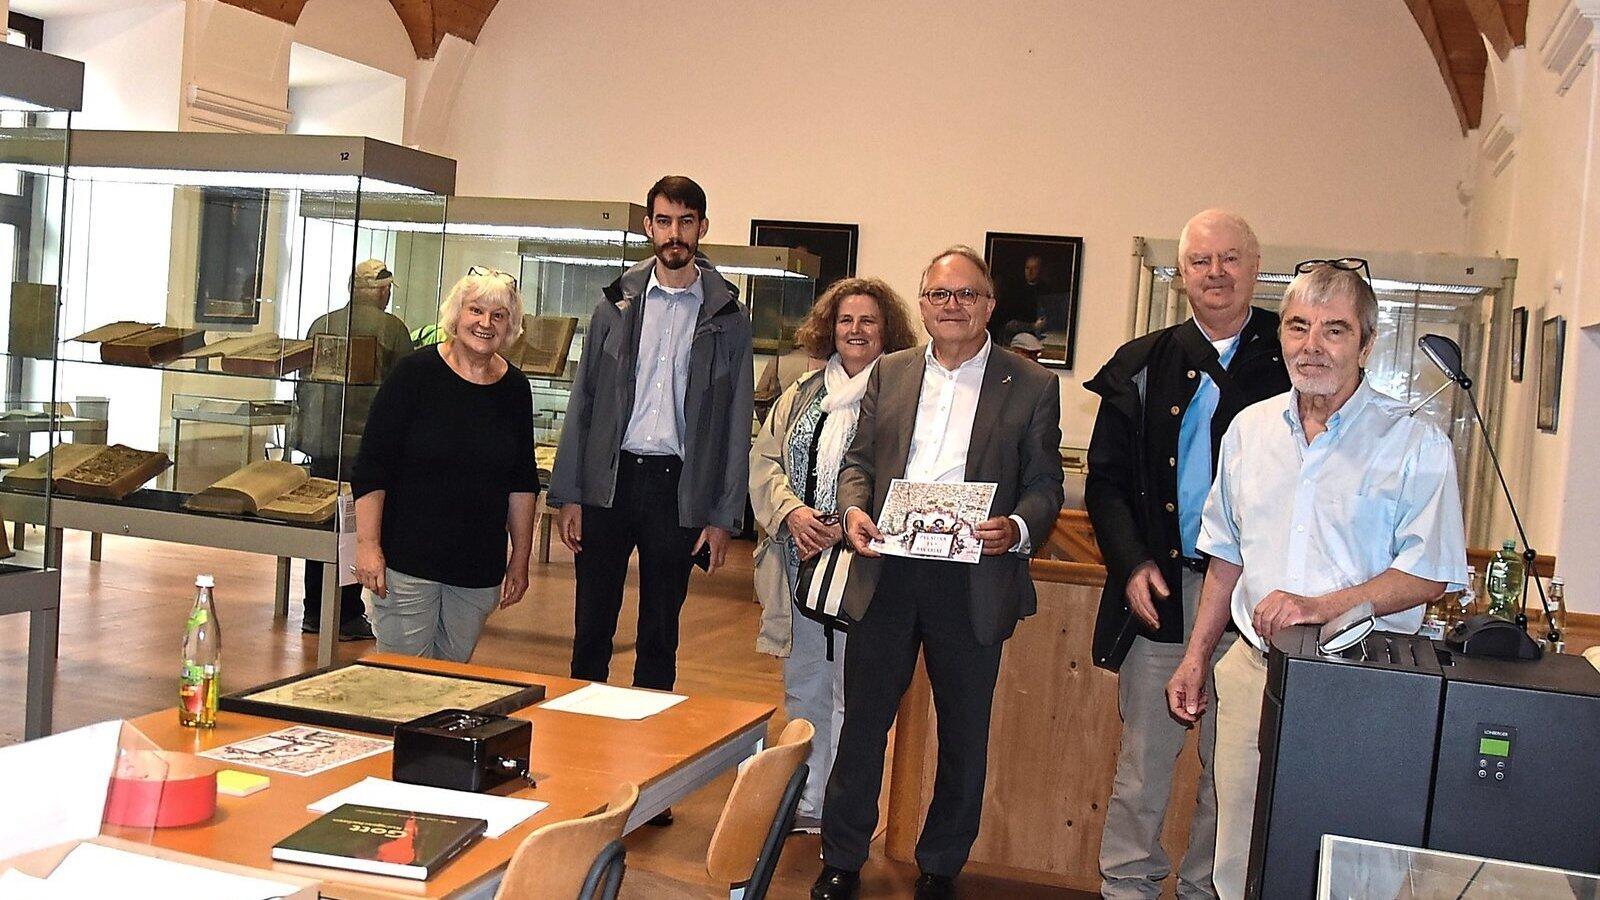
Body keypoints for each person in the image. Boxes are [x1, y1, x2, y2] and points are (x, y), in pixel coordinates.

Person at [1166, 262, 1467, 900]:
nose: (1312, 345)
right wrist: (1196, 656)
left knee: (1354, 858)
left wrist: (1320, 606)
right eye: (1299, 327)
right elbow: (1227, 557)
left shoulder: (1415, 443)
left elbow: (1430, 573)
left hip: (1365, 679)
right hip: (1252, 671)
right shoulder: (1248, 431)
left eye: (1335, 330)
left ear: (1366, 343)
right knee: (1240, 853)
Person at [812, 247, 1065, 900]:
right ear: (922, 305)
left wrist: (1017, 528)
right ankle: (841, 858)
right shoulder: (890, 373)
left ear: (989, 304)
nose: (952, 306)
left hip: (973, 578)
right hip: (888, 571)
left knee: (963, 736)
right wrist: (854, 507)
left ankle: (939, 867)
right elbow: (857, 462)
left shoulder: (1031, 384)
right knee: (863, 727)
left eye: (967, 295)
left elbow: (1044, 483)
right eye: (939, 295)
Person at [1085, 210, 1290, 899]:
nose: (1217, 274)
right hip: (1165, 592)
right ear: (1180, 278)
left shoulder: (1294, 360)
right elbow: (1106, 483)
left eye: (1231, 259)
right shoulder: (1141, 363)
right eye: (1201, 262)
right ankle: (1126, 890)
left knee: (1232, 772)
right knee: (1143, 767)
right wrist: (1132, 562)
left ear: (1256, 268)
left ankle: (1208, 892)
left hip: (1261, 603)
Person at [548, 176, 755, 692]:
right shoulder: (614, 305)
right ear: (648, 226)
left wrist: (722, 516)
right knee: (591, 625)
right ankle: (580, 730)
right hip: (610, 482)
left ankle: (651, 749)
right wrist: (569, 493)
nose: (675, 233)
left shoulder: (729, 318)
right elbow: (584, 401)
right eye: (664, 221)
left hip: (677, 489)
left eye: (686, 222)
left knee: (661, 633)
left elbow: (735, 423)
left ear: (702, 227)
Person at [750, 277, 917, 833]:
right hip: (800, 562)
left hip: (864, 569)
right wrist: (792, 514)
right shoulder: (800, 392)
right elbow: (765, 462)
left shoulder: (902, 397)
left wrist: (853, 527)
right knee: (804, 688)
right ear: (829, 327)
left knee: (854, 695)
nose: (856, 330)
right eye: (846, 320)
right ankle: (808, 798)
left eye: (868, 321)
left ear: (887, 330)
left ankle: (846, 811)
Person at [350, 269, 539, 662]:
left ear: (510, 327)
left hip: (476, 570)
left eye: (498, 315)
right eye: (476, 310)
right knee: (404, 685)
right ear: (456, 316)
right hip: (407, 563)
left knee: (451, 682)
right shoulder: (413, 375)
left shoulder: (516, 390)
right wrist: (368, 546)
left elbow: (522, 480)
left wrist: (519, 559)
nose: (485, 323)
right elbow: (372, 466)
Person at [288, 258, 414, 640]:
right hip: (367, 454)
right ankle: (345, 615)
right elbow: (406, 396)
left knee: (322, 525)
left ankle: (315, 609)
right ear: (382, 291)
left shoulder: (320, 324)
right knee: (358, 532)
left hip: (323, 446)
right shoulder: (392, 329)